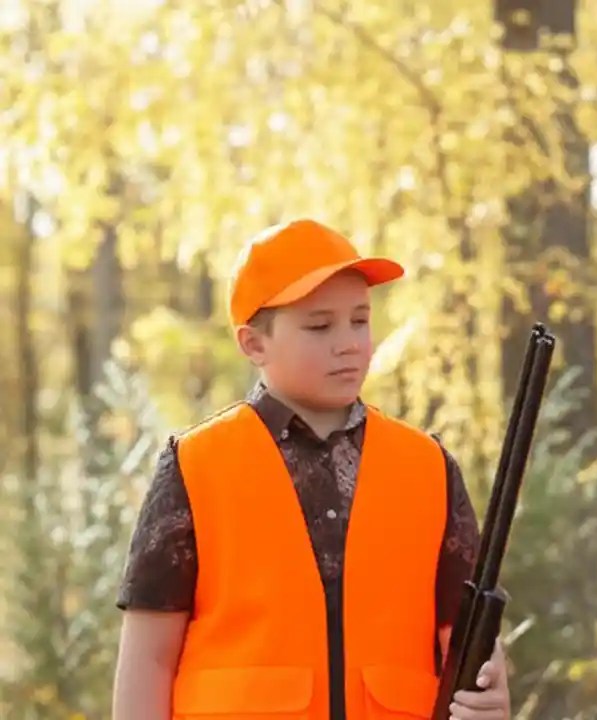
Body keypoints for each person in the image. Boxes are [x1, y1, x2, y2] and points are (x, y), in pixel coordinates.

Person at [111, 218, 511, 720]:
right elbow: (148, 656)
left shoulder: (427, 467)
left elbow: (471, 637)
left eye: (360, 320)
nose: (348, 343)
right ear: (254, 344)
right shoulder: (196, 465)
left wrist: (492, 696)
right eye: (320, 326)